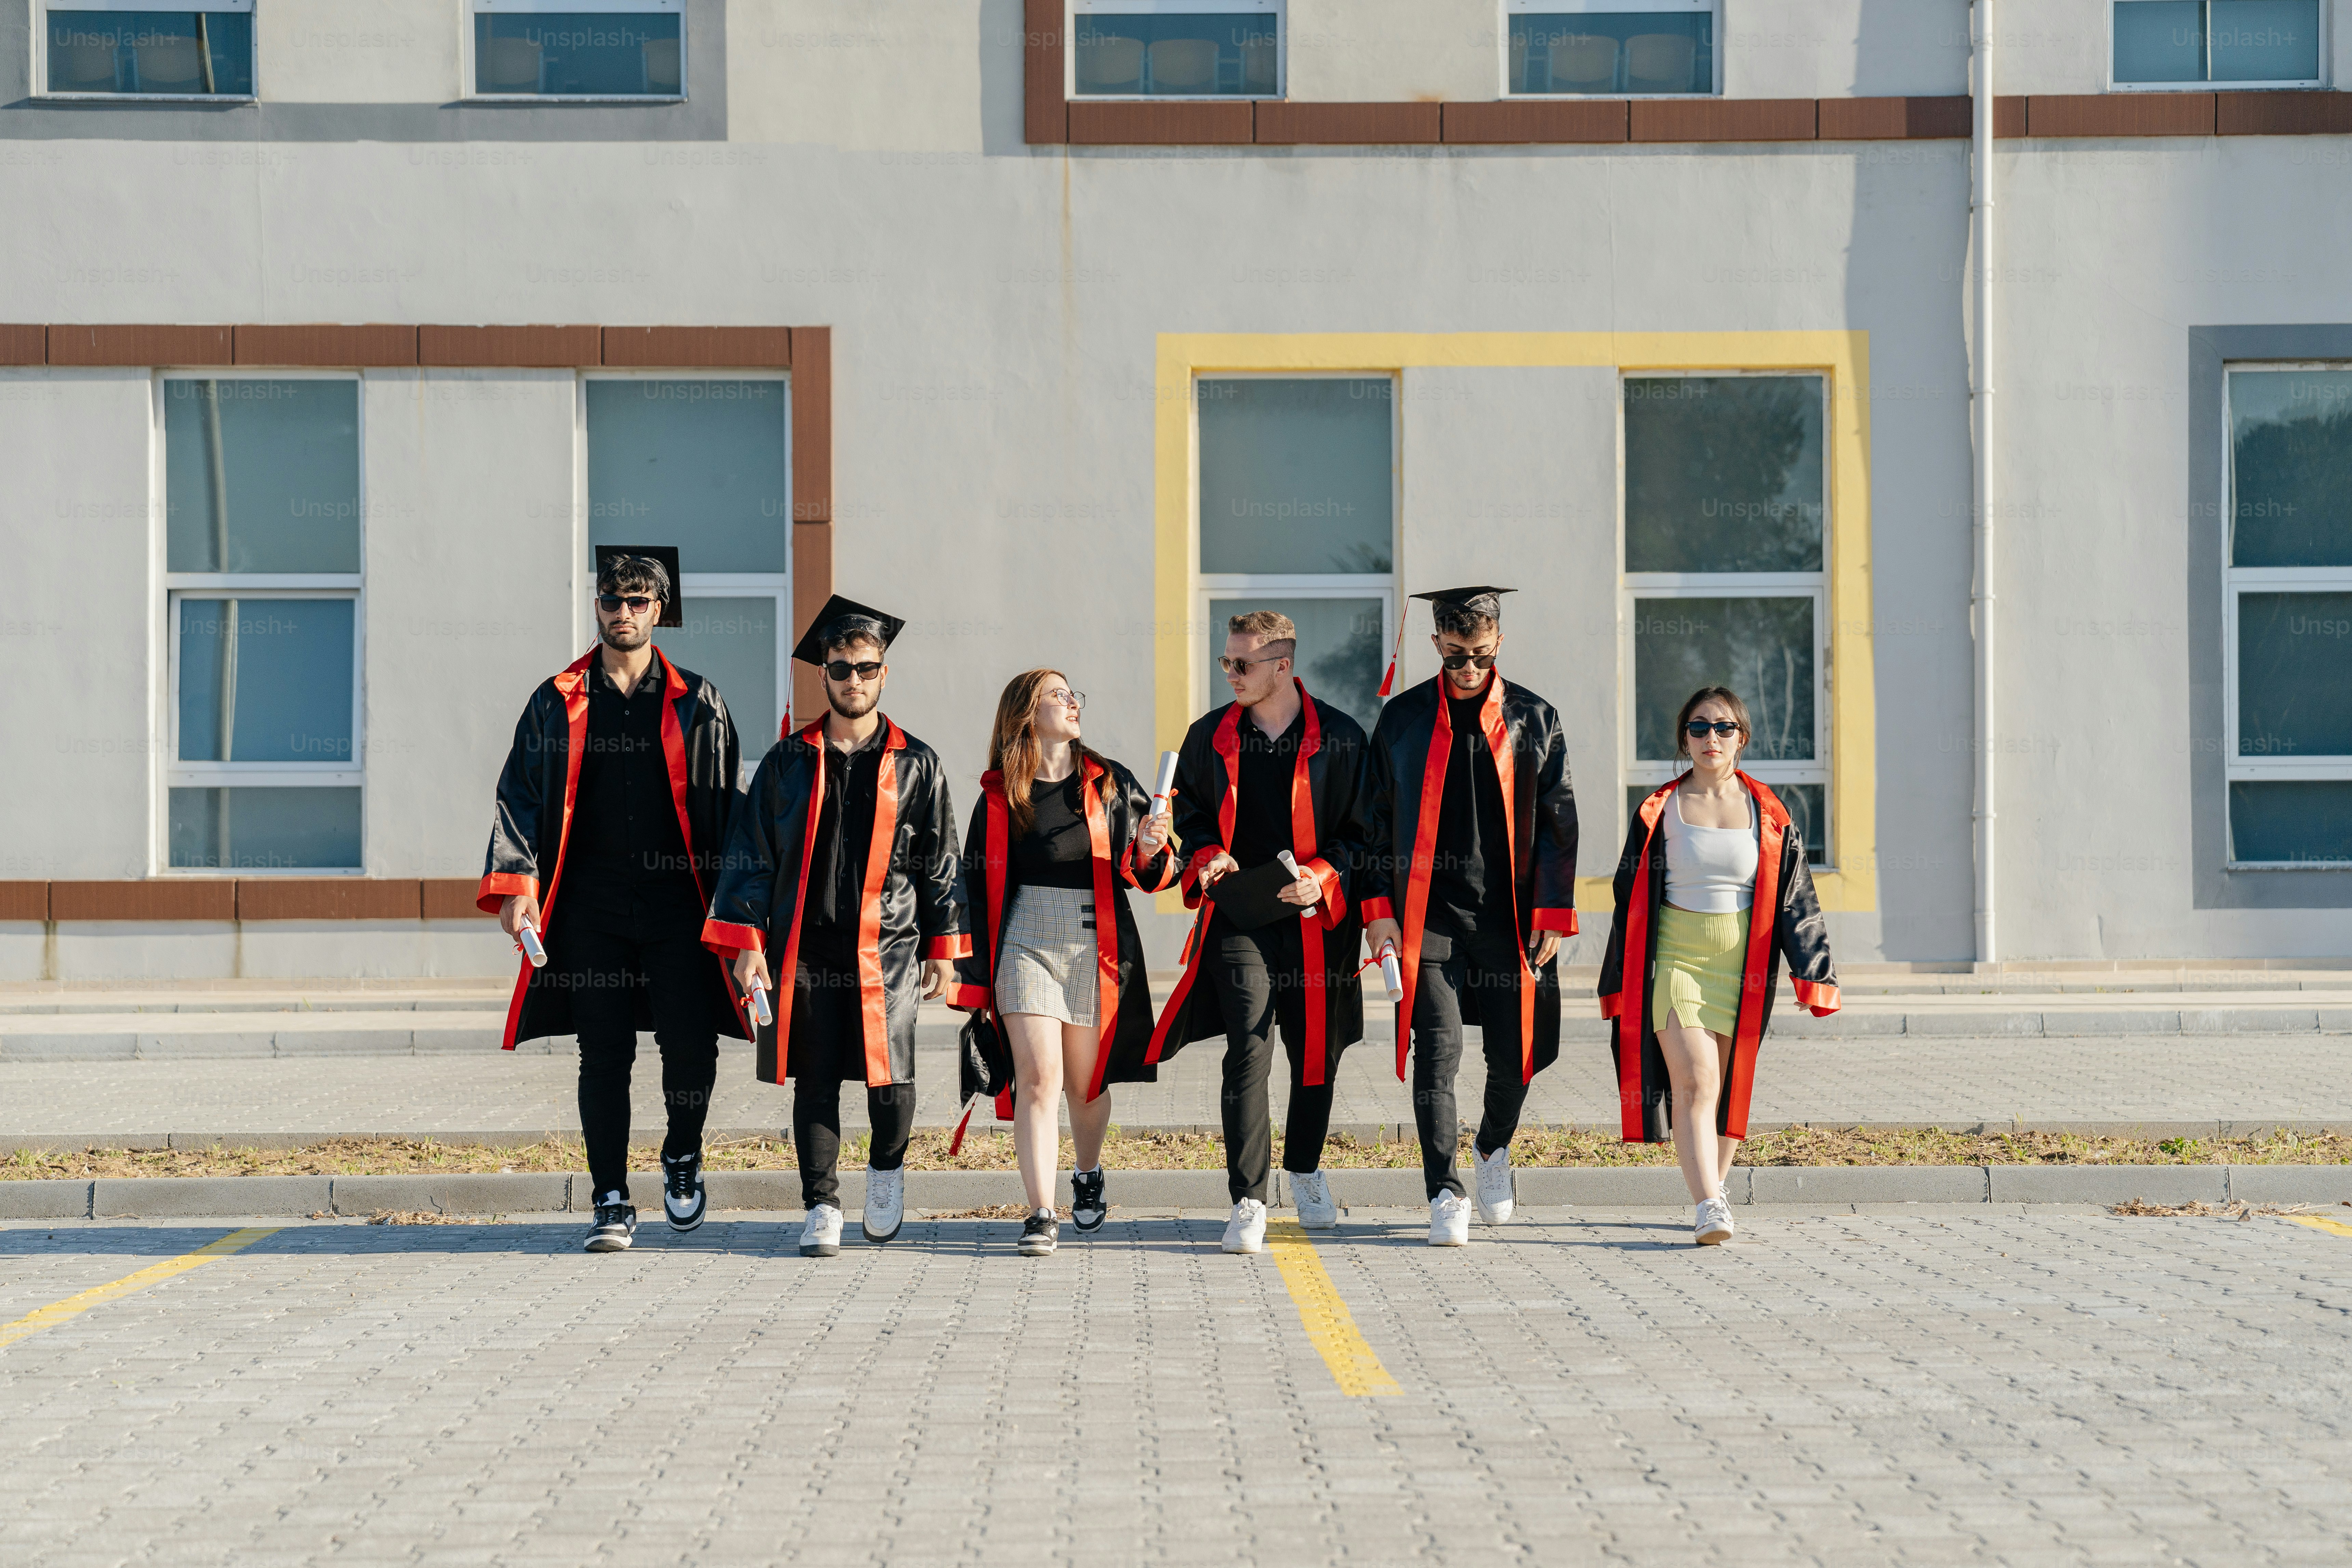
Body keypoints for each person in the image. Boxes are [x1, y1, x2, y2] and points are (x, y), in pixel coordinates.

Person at [478, 551, 745, 1254]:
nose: (621, 613)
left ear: (660, 608)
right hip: (588, 906)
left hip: (679, 904)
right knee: (604, 1051)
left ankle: (682, 1156)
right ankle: (610, 1196)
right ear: (597, 606)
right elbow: (519, 796)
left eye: (636, 600)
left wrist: (744, 909)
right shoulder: (557, 698)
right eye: (610, 600)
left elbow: (724, 814)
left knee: (691, 1045)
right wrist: (516, 886)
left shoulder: (699, 702)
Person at [701, 596, 965, 1259]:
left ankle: (885, 1169)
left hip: (890, 946)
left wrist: (945, 948)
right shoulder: (786, 762)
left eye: (867, 669)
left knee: (891, 1077)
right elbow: (752, 858)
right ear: (823, 672)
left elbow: (940, 862)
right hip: (808, 946)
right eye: (842, 668)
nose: (854, 680)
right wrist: (746, 946)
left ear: (884, 674)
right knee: (813, 1078)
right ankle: (820, 1203)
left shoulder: (917, 763)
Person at [1359, 586, 1579, 1247]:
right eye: (1455, 655)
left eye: (1480, 655)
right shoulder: (1401, 721)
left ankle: (1491, 1148)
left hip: (1509, 918)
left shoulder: (1534, 718)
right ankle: (1443, 1189)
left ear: (1499, 644)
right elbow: (1370, 827)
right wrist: (1378, 914)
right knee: (1440, 1053)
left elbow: (1559, 826)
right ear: (1435, 645)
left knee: (1518, 1055)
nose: (1468, 668)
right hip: (1427, 915)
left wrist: (1551, 912)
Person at [1147, 610, 1369, 1254]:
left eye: (1242, 664)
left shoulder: (1343, 738)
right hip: (1240, 915)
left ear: (1282, 666)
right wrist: (1207, 851)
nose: (1231, 674)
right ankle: (1246, 1198)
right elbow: (1185, 811)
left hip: (1312, 920)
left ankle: (1303, 1168)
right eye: (1226, 662)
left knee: (1316, 1053)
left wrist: (1324, 877)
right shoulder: (1208, 736)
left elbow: (1364, 835)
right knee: (1249, 1045)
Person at [1598, 686, 1840, 1245]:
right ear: (1685, 737)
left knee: (1726, 1088)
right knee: (1697, 1079)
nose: (1712, 737)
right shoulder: (1659, 809)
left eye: (1724, 727)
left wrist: (1813, 975)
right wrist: (1618, 979)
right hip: (1676, 958)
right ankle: (1708, 1202)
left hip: (1743, 961)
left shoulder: (1770, 811)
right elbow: (1627, 895)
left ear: (1742, 738)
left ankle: (1715, 1189)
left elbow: (1796, 898)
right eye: (1700, 728)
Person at [949, 670, 1176, 1257]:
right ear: (1028, 714)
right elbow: (972, 884)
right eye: (1060, 694)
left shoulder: (1108, 783)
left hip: (1094, 944)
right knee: (1039, 1079)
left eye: (1075, 693)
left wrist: (1153, 850)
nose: (1074, 701)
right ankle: (1041, 1211)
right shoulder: (1001, 795)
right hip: (1023, 940)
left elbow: (1146, 873)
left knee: (1085, 1086)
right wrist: (960, 969)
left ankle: (1089, 1171)